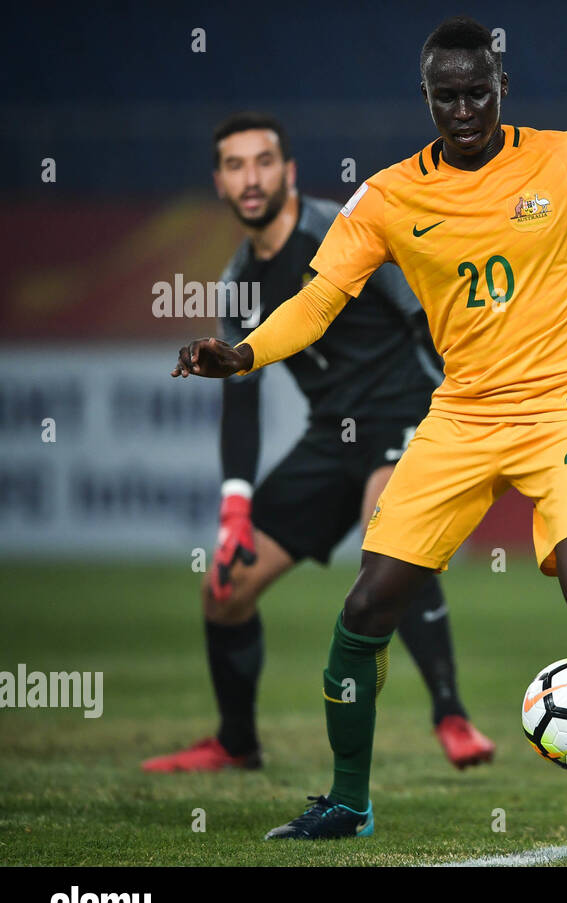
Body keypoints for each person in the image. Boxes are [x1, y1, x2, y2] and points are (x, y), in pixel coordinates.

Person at [170, 16, 567, 839]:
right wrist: (244, 355)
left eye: (477, 92)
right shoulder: (387, 196)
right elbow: (317, 302)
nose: (464, 109)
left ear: (502, 89)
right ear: (425, 97)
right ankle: (349, 804)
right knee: (365, 612)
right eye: (447, 96)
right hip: (460, 415)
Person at [147, 112, 493, 776]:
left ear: (289, 171)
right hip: (330, 438)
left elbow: (425, 317)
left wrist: (465, 410)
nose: (252, 177)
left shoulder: (347, 230)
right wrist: (235, 507)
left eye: (264, 161)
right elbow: (240, 398)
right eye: (235, 165)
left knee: (388, 531)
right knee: (224, 588)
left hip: (407, 416)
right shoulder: (238, 282)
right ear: (219, 183)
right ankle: (236, 742)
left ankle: (451, 714)